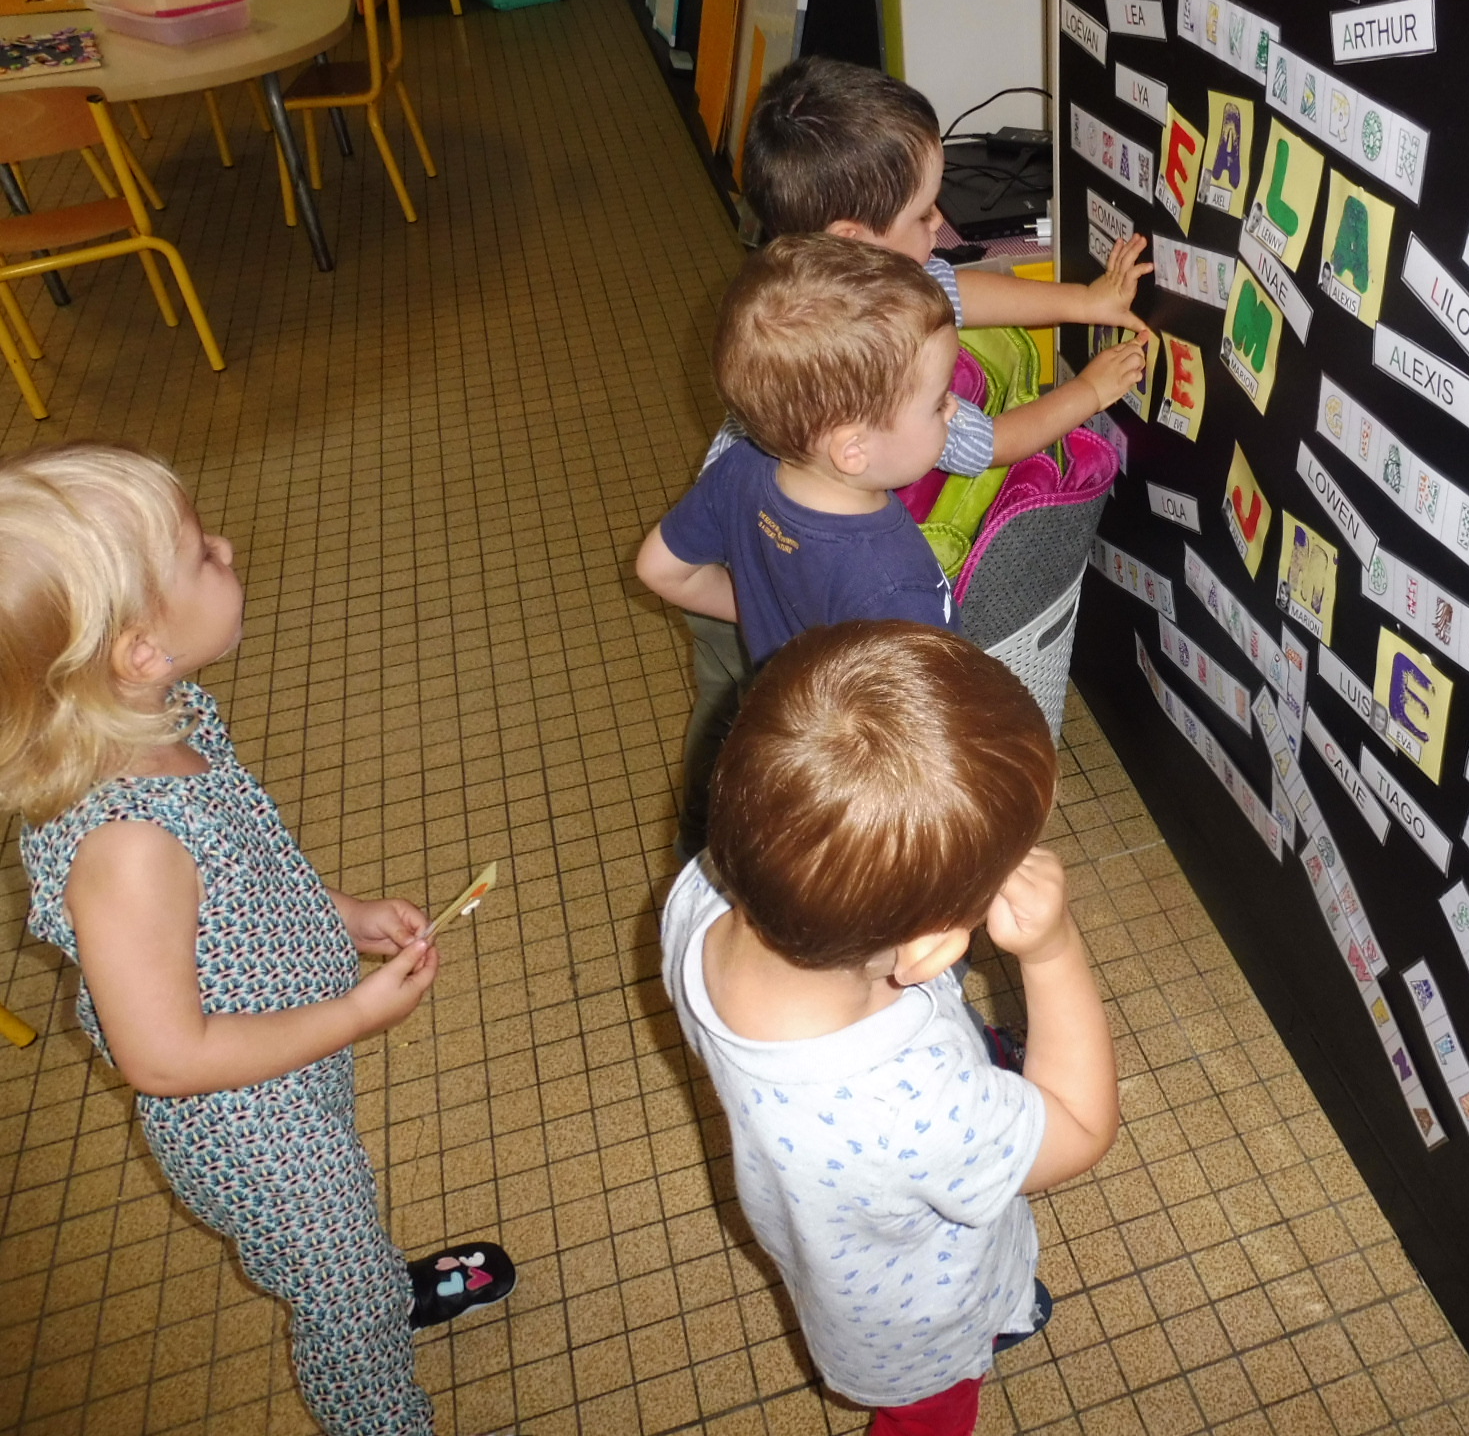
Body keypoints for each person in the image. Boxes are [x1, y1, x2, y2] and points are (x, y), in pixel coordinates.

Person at [0, 444, 514, 1436]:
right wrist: (356, 1014)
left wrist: (342, 913)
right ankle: (376, 1384)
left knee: (340, 1247)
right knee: (337, 1294)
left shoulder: (167, 719)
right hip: (251, 1122)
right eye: (201, 554)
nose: (227, 549)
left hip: (289, 1059)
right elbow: (164, 1058)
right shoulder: (128, 846)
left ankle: (367, 1282)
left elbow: (242, 875)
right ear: (139, 650)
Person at [659, 54, 1153, 858]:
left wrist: (1083, 302)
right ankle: (724, 852)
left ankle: (712, 848)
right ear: (856, 239)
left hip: (732, 551)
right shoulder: (886, 394)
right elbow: (994, 442)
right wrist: (1090, 392)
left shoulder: (799, 295)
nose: (941, 225)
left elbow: (958, 292)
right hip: (782, 594)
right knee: (764, 745)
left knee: (734, 730)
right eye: (925, 213)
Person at [660, 620, 1118, 1435]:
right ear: (931, 949)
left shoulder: (700, 897)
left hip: (833, 1246)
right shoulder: (920, 1107)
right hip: (916, 1333)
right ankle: (976, 1339)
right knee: (929, 1418)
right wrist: (1053, 951)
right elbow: (1080, 1127)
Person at [636, 231, 1144, 701]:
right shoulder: (898, 585)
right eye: (938, 402)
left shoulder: (739, 468)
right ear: (852, 450)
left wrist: (762, 615)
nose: (953, 408)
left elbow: (660, 569)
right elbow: (935, 714)